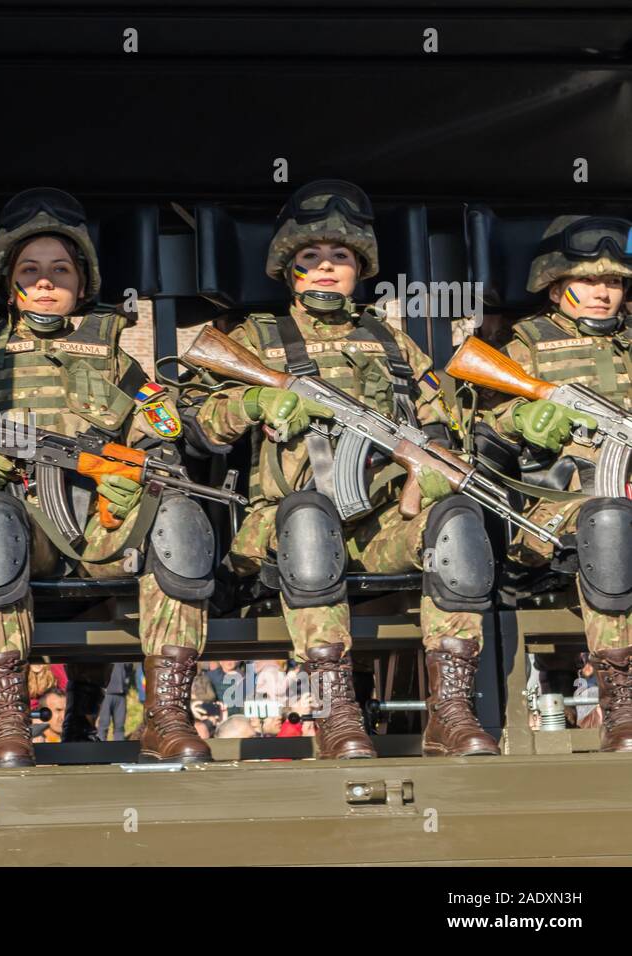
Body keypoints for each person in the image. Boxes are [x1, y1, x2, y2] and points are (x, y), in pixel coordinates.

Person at [0, 187, 217, 767]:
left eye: (59, 271)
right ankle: (7, 720)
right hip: (23, 528)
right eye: (31, 271)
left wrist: (142, 476)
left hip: (104, 528)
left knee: (181, 518)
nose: (46, 283)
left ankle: (168, 713)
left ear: (81, 282)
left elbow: (160, 439)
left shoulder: (118, 362)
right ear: (9, 284)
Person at [188, 179, 499, 759]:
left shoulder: (391, 341)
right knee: (309, 519)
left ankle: (452, 711)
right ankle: (335, 714)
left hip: (379, 527)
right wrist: (252, 403)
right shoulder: (256, 338)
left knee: (456, 518)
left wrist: (430, 469)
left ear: (361, 270)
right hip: (281, 525)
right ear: (288, 270)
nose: (327, 269)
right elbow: (195, 424)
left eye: (341, 258)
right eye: (311, 258)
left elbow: (441, 426)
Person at [475, 215, 632, 751]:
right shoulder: (527, 346)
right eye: (589, 281)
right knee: (609, 522)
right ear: (557, 284)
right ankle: (621, 699)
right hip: (555, 513)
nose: (602, 293)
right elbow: (476, 427)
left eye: (612, 282)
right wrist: (521, 420)